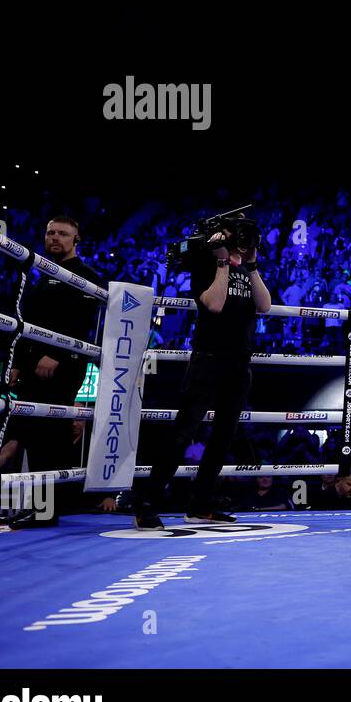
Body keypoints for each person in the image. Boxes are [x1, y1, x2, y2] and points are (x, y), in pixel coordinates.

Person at [133, 221, 272, 528]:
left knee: (223, 437)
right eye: (240, 236)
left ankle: (201, 503)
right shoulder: (206, 262)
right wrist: (222, 260)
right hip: (208, 359)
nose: (243, 241)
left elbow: (264, 305)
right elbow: (214, 304)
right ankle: (147, 501)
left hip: (239, 363)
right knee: (183, 431)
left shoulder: (249, 270)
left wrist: (251, 265)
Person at [0, 215, 101, 529]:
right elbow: (25, 324)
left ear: (75, 240)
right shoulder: (40, 275)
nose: (54, 238)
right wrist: (16, 363)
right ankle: (31, 505)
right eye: (50, 232)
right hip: (32, 363)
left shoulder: (85, 276)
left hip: (63, 363)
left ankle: (46, 509)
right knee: (26, 434)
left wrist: (56, 354)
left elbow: (82, 323)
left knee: (47, 435)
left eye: (62, 233)